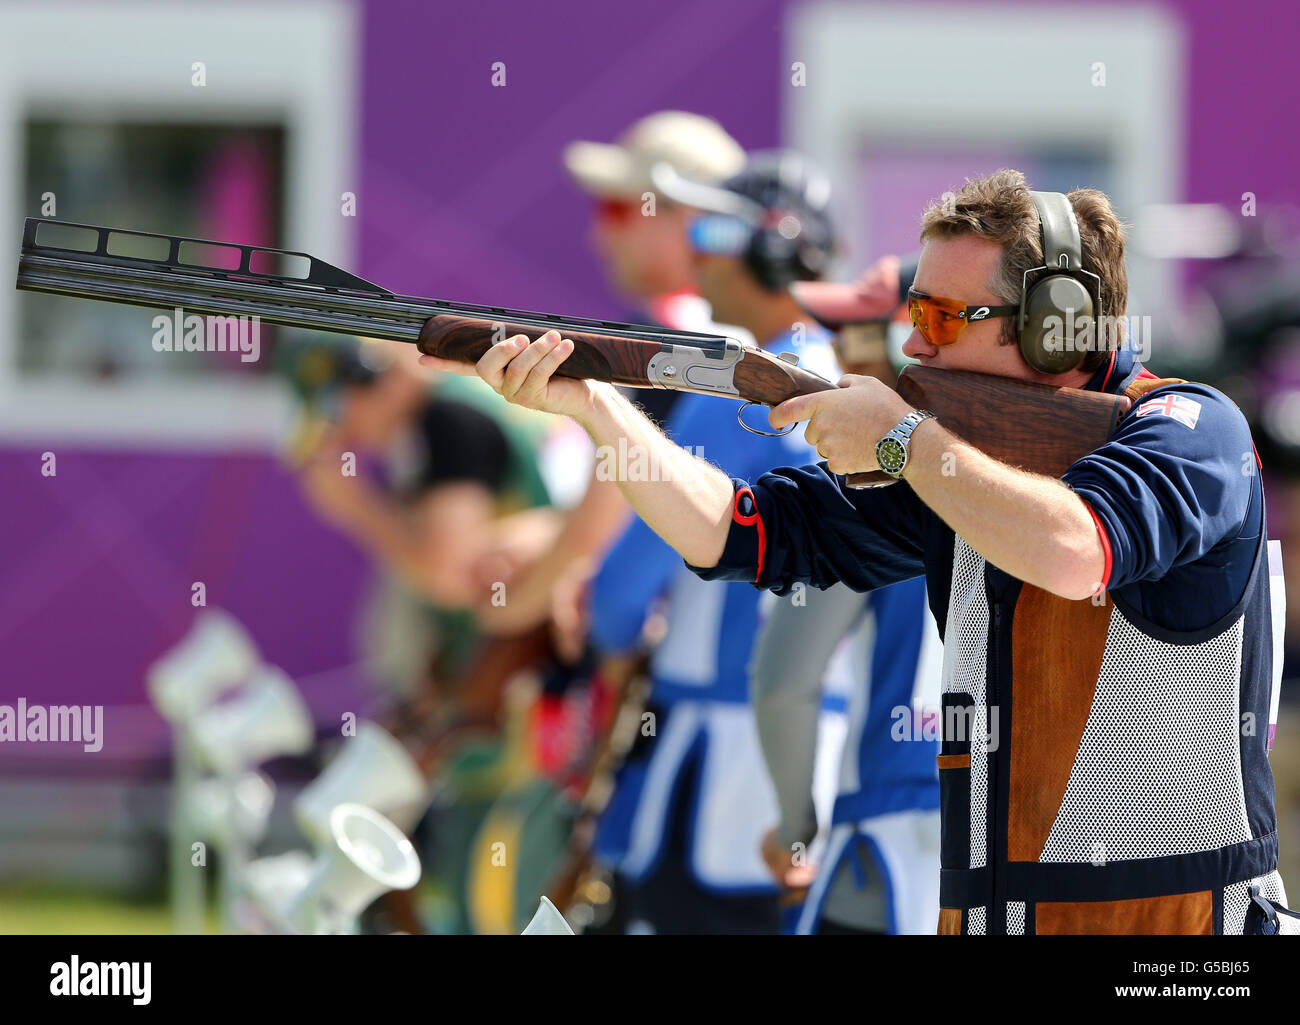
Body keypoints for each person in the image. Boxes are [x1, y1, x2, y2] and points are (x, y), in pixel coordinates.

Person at [422, 168, 1291, 934]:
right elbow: (736, 530)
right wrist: (596, 406)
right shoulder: (959, 476)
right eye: (916, 312)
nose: (914, 343)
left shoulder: (1190, 429)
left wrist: (902, 438)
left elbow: (1077, 550)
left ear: (1056, 326)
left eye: (946, 316)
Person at [583, 151, 841, 933]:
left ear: (770, 247)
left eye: (717, 227)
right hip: (817, 762)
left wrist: (609, 634)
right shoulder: (854, 383)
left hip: (712, 763)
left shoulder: (744, 390)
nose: (696, 244)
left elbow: (621, 595)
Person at [750, 256, 944, 936]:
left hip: (891, 838)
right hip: (1044, 837)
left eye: (853, 333)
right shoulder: (1069, 464)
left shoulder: (875, 485)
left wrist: (798, 826)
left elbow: (783, 683)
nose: (832, 353)